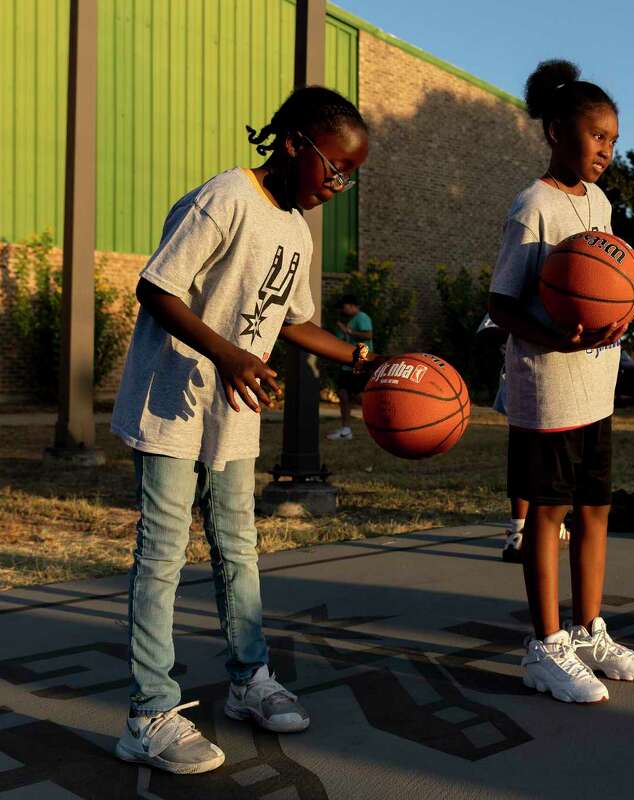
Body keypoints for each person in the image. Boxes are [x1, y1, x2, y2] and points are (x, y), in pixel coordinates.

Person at [108, 87, 376, 773]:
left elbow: (294, 321)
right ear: (293, 144)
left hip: (231, 412)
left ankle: (248, 678)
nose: (338, 185)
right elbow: (156, 287)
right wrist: (229, 353)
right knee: (162, 554)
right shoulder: (225, 198)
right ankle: (148, 712)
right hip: (173, 402)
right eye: (334, 168)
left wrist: (361, 357)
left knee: (239, 548)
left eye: (351, 175)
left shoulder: (297, 228)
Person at [487, 60, 634, 703]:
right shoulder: (532, 206)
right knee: (548, 516)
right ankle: (545, 644)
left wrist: (621, 310)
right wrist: (555, 334)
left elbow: (604, 282)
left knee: (595, 510)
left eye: (613, 139)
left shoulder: (600, 203)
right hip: (547, 386)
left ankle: (588, 629)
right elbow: (501, 303)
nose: (607, 150)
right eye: (596, 136)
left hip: (596, 384)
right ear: (557, 132)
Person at [478, 314, 571, 563]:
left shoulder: (520, 287)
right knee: (547, 457)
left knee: (526, 455)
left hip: (529, 375)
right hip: (540, 376)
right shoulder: (529, 287)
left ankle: (521, 530)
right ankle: (535, 528)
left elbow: (488, 330)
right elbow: (491, 330)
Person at [326, 293, 373, 441]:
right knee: (343, 394)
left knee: (360, 396)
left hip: (360, 363)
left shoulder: (362, 317)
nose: (341, 309)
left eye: (344, 306)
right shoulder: (348, 321)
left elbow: (368, 335)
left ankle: (380, 420)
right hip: (347, 365)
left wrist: (348, 331)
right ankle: (346, 430)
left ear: (353, 306)